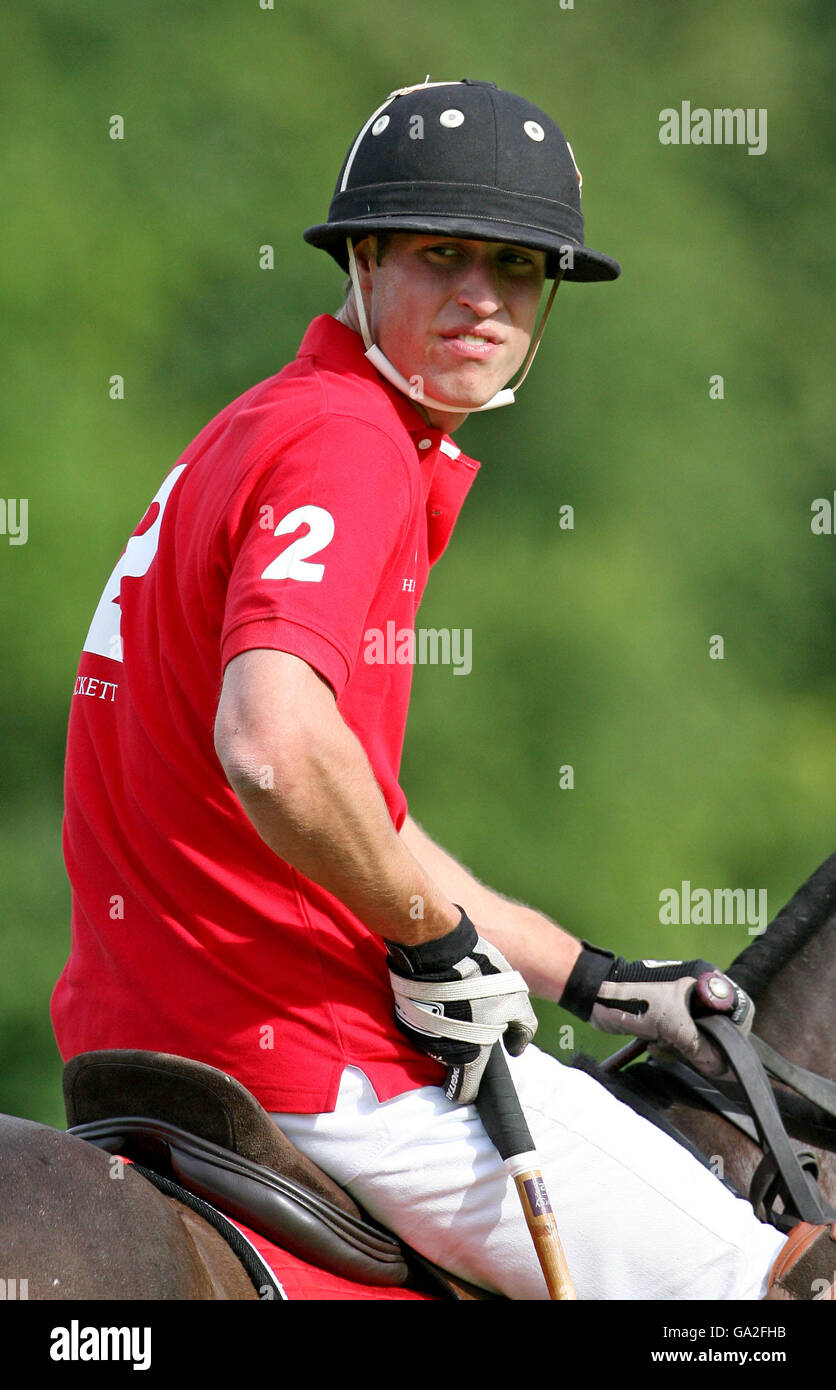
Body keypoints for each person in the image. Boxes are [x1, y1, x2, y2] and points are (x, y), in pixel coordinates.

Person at [51, 79, 831, 1300]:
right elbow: (273, 743)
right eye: (441, 255)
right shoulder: (347, 444)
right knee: (775, 1290)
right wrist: (424, 935)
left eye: (518, 270)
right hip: (312, 1052)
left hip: (140, 1035)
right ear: (360, 261)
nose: (483, 297)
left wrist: (587, 976)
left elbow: (361, 811)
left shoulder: (257, 426)